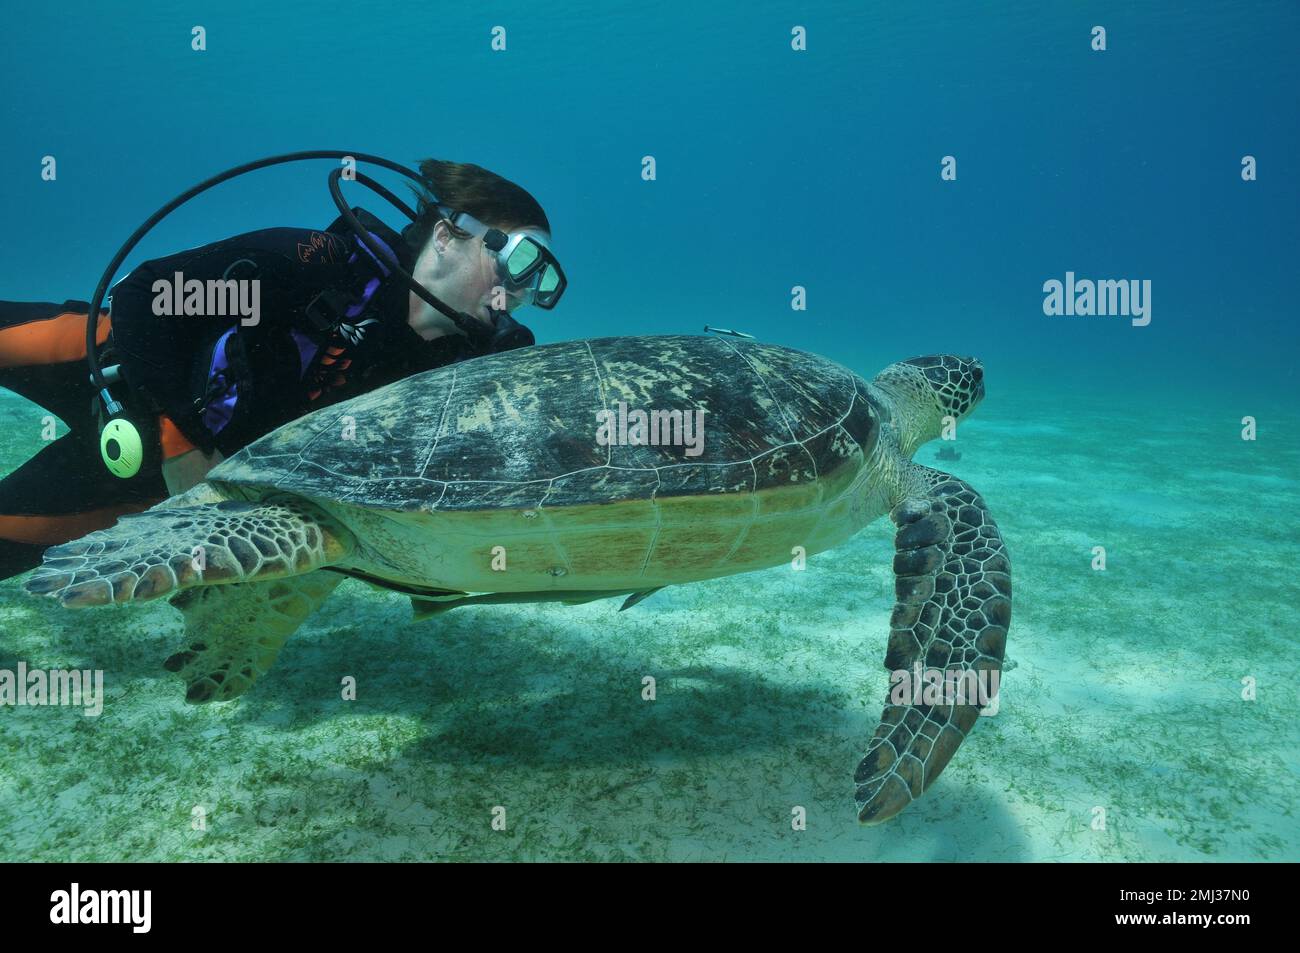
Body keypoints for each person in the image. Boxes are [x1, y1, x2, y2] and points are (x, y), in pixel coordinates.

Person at [0, 158, 565, 580]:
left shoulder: (472, 364)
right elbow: (150, 295)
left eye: (540, 281)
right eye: (519, 261)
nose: (519, 293)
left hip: (158, 474)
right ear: (447, 234)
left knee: (9, 539)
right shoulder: (319, 265)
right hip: (108, 358)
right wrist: (181, 444)